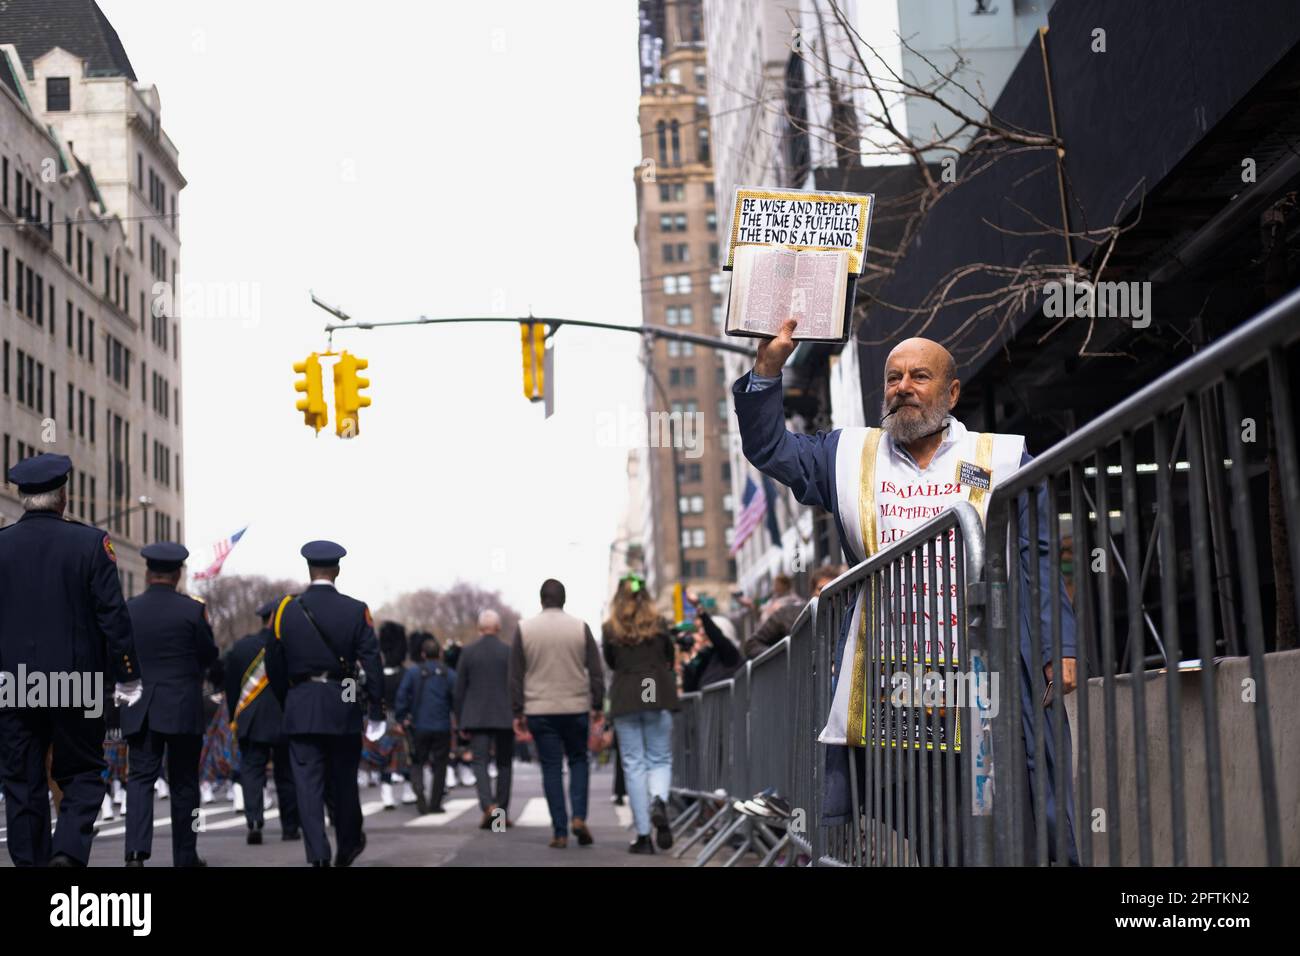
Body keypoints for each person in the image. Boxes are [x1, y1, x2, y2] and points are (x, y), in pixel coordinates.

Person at [734, 323, 1079, 863]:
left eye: (920, 376)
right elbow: (770, 447)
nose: (903, 386)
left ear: (952, 392)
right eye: (893, 377)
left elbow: (1037, 558)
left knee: (994, 815)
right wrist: (769, 369)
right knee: (929, 825)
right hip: (899, 690)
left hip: (983, 682)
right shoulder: (848, 456)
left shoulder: (1002, 457)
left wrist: (1061, 648)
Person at [0, 454, 139, 867]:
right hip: (76, 684)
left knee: (21, 782)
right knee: (82, 773)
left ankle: (31, 864)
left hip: (14, 684)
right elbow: (113, 616)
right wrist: (128, 675)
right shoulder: (91, 543)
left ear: (22, 497)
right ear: (63, 497)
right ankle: (69, 851)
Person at [264, 540, 385, 867]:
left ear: (308, 569)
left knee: (307, 786)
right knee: (344, 781)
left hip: (301, 702)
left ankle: (317, 855)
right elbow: (372, 663)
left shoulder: (284, 610)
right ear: (338, 570)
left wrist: (287, 698)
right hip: (341, 699)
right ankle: (348, 844)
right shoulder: (356, 608)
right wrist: (376, 708)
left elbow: (273, 665)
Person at [121, 542, 219, 867]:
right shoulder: (192, 610)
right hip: (181, 706)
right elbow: (209, 655)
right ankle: (186, 855)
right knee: (186, 785)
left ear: (148, 573)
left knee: (139, 780)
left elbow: (118, 655)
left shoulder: (130, 608)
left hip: (142, 706)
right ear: (177, 575)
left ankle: (135, 853)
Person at [510, 578, 604, 849]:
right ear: (564, 599)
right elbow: (595, 671)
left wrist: (518, 711)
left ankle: (560, 831)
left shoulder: (524, 630)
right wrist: (597, 704)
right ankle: (578, 817)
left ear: (541, 599)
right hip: (574, 707)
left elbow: (515, 675)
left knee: (551, 767)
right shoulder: (580, 627)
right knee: (578, 760)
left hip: (539, 709)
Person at [601, 572, 677, 854]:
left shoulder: (611, 628)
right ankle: (659, 799)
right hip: (656, 690)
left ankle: (644, 835)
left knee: (633, 765)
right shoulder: (659, 624)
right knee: (660, 758)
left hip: (626, 695)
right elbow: (669, 655)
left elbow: (611, 661)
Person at [224, 599, 300, 844]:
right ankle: (290, 827)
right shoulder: (290, 647)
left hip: (251, 720)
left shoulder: (241, 647)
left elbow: (231, 688)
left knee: (252, 773)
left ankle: (254, 821)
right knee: (286, 775)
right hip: (283, 718)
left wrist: (234, 717)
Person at [454, 610, 516, 829]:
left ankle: (488, 805)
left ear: (479, 629)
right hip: (504, 715)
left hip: (477, 715)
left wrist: (460, 719)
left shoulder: (468, 652)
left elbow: (460, 688)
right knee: (504, 765)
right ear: (497, 628)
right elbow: (516, 685)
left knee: (480, 762)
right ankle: (500, 814)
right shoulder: (508, 652)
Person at [395, 637, 456, 815]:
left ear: (422, 654)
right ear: (440, 653)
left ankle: (420, 793)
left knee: (417, 762)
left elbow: (402, 695)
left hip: (419, 725)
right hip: (442, 725)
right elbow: (457, 696)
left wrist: (402, 717)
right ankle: (435, 802)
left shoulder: (413, 672)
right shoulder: (448, 673)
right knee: (440, 765)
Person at [743, 564, 842, 659]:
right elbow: (752, 644)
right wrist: (783, 659)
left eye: (833, 587)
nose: (828, 592)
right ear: (812, 592)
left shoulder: (845, 618)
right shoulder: (787, 614)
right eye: (822, 588)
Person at [368, 622, 416, 810]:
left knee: (384, 758)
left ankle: (387, 794)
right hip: (401, 718)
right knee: (405, 757)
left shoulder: (376, 672)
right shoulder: (406, 673)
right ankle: (407, 791)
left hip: (381, 718)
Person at [678, 597, 742, 693]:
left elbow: (717, 637)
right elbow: (690, 689)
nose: (702, 634)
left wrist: (700, 609)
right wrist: (689, 662)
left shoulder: (730, 655)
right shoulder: (705, 659)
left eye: (705, 632)